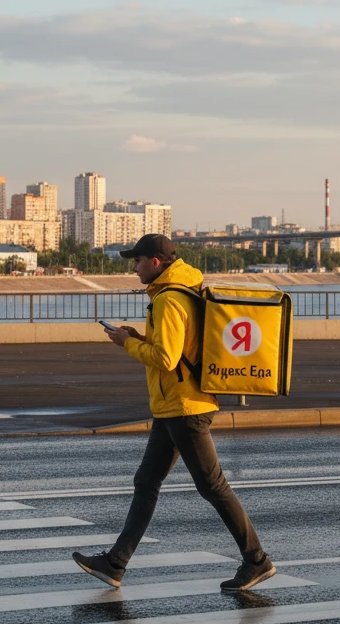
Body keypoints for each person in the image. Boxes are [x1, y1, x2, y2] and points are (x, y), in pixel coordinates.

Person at [72, 233, 276, 592]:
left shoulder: (168, 300)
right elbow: (175, 348)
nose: (133, 267)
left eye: (137, 261)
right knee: (146, 482)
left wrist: (127, 343)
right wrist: (137, 335)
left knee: (213, 486)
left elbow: (166, 359)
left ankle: (256, 560)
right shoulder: (182, 291)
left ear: (156, 262)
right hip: (173, 407)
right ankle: (115, 564)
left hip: (184, 407)